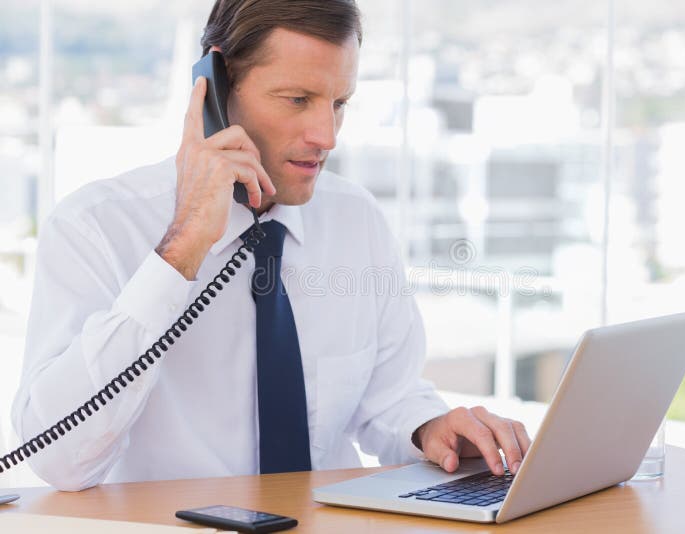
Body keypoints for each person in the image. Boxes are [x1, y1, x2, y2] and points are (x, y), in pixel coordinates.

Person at [11, 0, 531, 491]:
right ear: (216, 87)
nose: (326, 136)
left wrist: (431, 428)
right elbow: (58, 459)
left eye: (338, 104)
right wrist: (183, 247)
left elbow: (389, 398)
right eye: (298, 100)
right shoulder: (95, 227)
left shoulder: (357, 221)